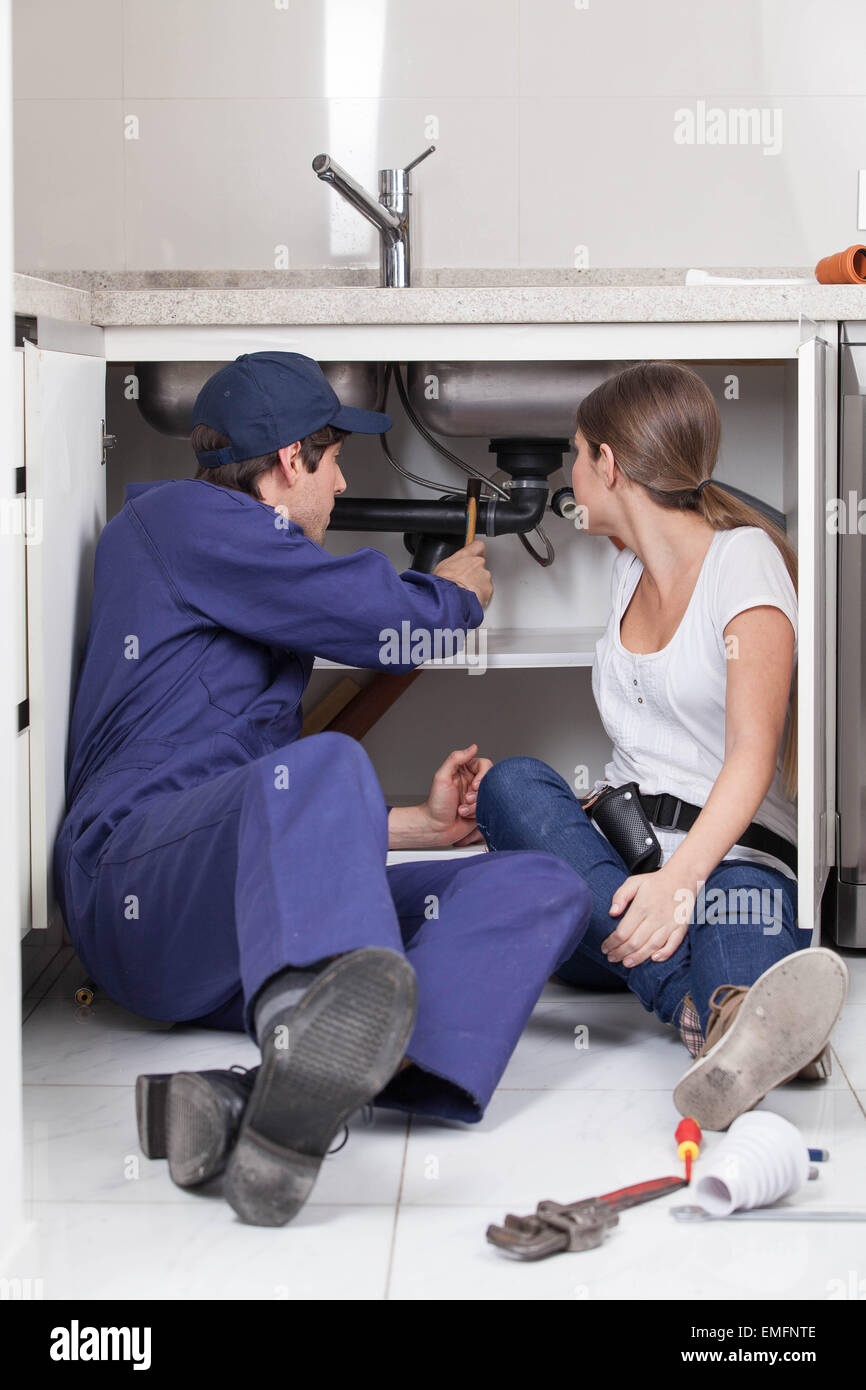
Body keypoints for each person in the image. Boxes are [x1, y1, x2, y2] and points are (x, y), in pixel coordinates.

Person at [54, 351, 592, 1226]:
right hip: (135, 887)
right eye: (336, 460)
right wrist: (452, 598)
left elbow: (261, 807)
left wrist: (408, 826)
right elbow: (379, 622)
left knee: (541, 882)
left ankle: (290, 1087)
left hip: (235, 918)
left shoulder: (240, 564)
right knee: (329, 757)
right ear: (292, 460)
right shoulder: (181, 520)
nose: (342, 486)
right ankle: (309, 1021)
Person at [475, 361, 848, 1132]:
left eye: (577, 455)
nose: (571, 477)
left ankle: (723, 1014)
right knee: (512, 786)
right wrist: (630, 867)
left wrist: (680, 878)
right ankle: (716, 1019)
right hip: (624, 881)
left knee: (736, 920)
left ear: (608, 464)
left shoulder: (742, 560)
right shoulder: (624, 573)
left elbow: (752, 751)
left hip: (728, 865)